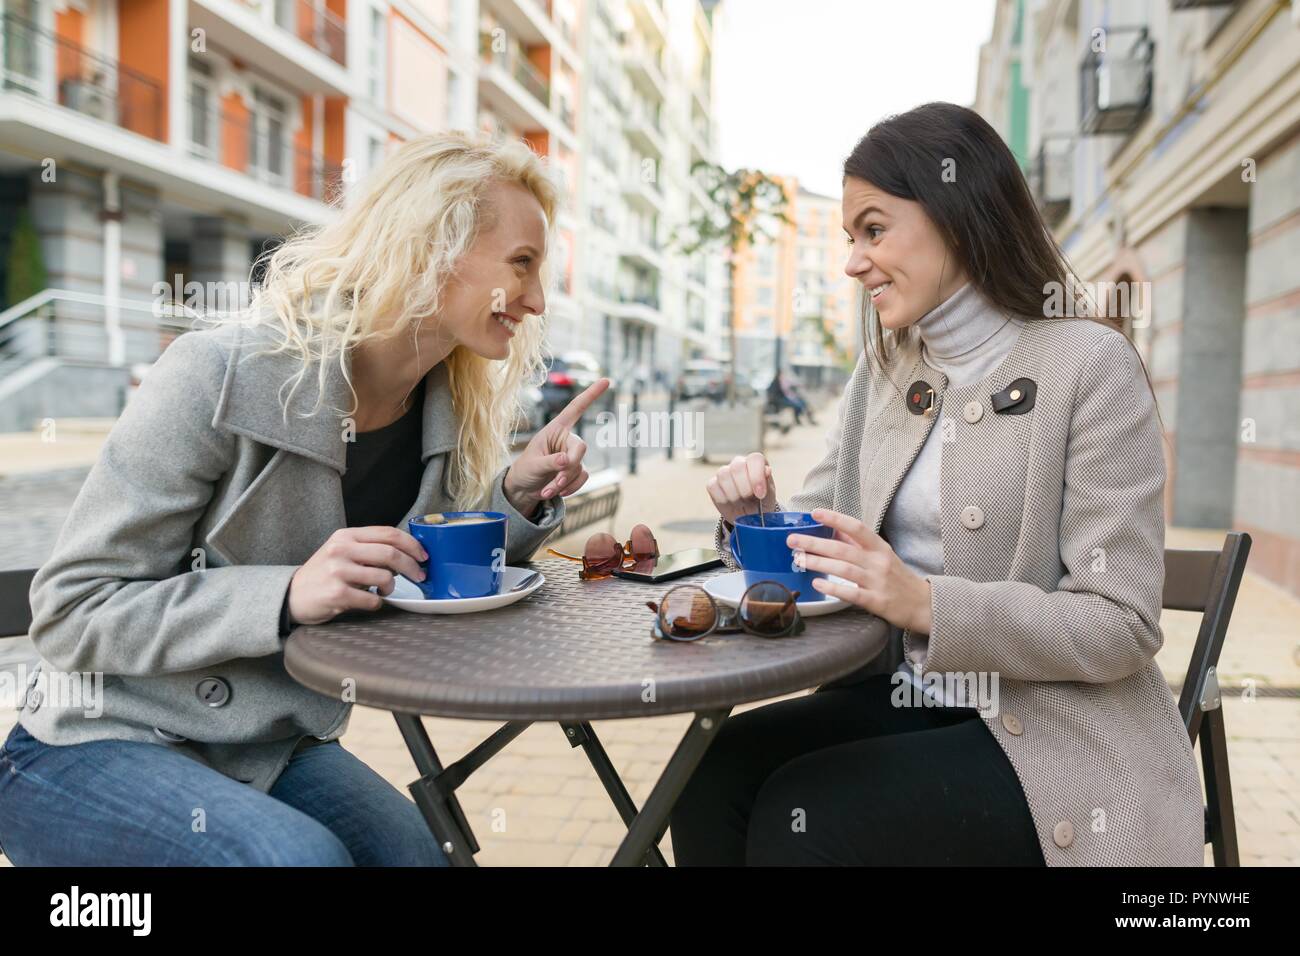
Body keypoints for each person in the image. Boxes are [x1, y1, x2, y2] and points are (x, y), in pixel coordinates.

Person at [0, 131, 605, 866]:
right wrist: (284, 595)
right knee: (297, 861)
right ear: (433, 247)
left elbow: (422, 577)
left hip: (266, 745)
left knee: (423, 860)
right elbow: (71, 610)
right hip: (92, 743)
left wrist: (513, 495)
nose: (538, 300)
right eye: (523, 264)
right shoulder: (216, 377)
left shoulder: (443, 414)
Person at [672, 103, 1203, 867]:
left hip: (1052, 730)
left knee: (809, 815)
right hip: (907, 693)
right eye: (850, 238)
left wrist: (925, 603)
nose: (854, 261)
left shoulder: (1089, 365)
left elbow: (1121, 622)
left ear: (956, 213)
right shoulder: (887, 371)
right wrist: (760, 524)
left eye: (874, 229)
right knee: (711, 771)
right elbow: (828, 541)